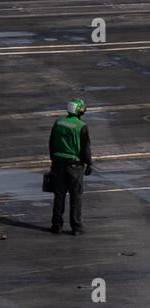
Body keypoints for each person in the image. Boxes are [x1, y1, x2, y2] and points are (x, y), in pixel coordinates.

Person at [49, 99, 92, 235]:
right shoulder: (81, 126)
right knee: (76, 196)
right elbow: (85, 149)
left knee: (59, 195)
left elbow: (51, 143)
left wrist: (53, 160)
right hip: (75, 166)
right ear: (80, 110)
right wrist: (89, 163)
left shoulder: (58, 123)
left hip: (58, 163)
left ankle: (57, 225)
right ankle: (76, 227)